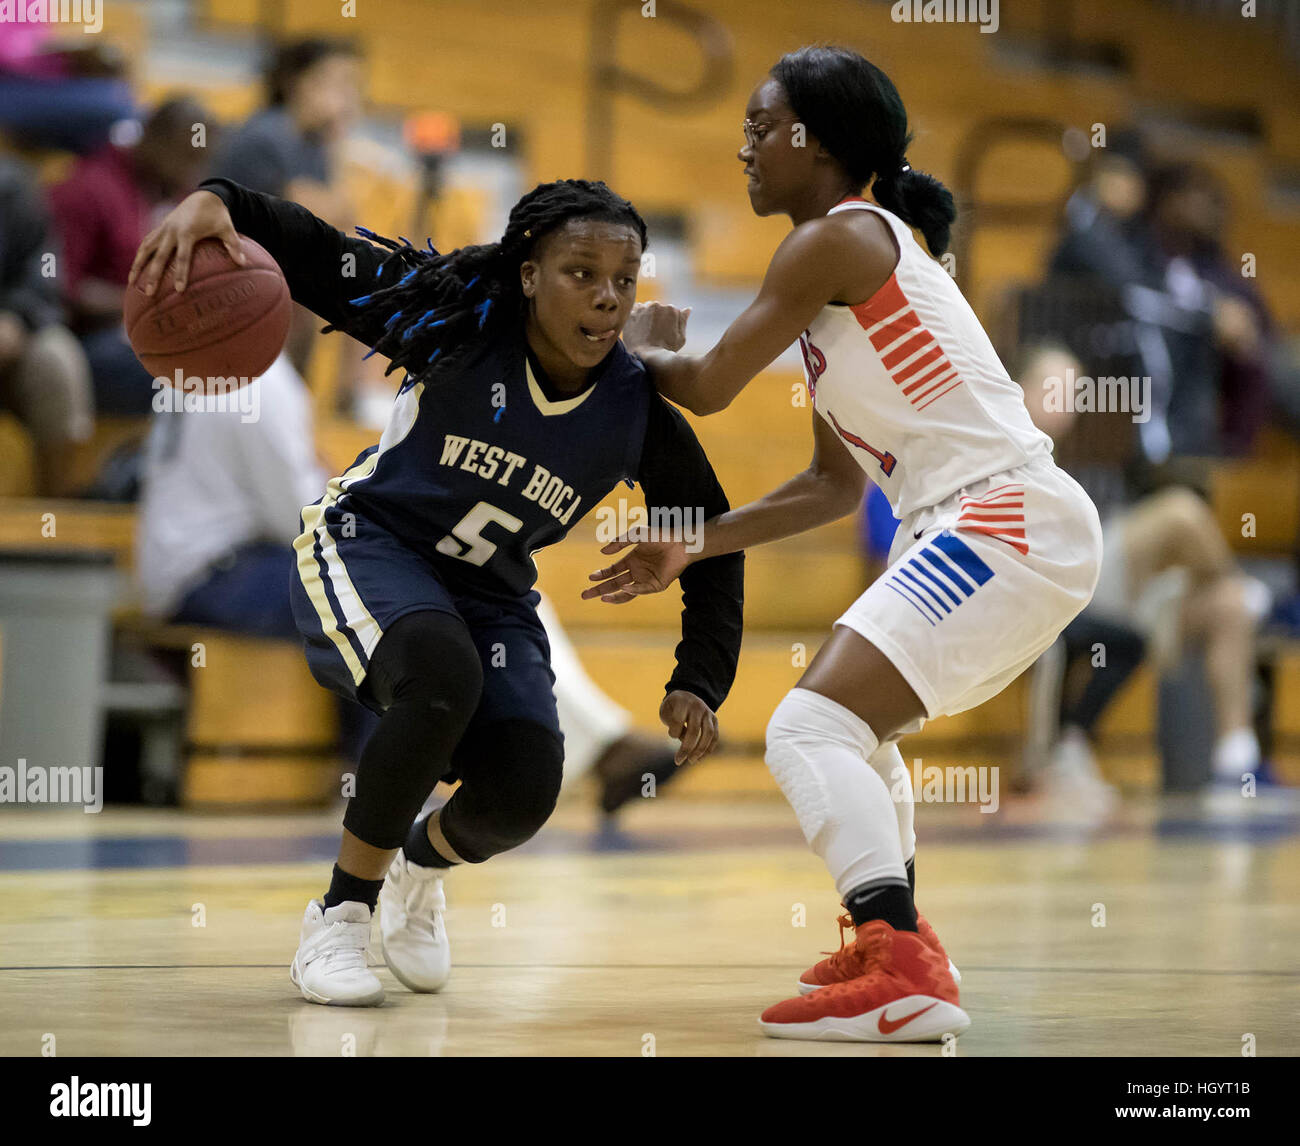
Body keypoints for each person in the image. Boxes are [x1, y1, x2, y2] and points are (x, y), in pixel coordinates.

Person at [129, 175, 744, 1007]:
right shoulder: (459, 325)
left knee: (527, 784)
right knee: (438, 670)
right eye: (580, 273)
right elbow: (322, 256)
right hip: (370, 544)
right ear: (528, 273)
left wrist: (699, 677)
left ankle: (421, 870)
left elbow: (709, 535)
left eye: (622, 281)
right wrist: (220, 201)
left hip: (490, 593)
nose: (606, 299)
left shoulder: (635, 409)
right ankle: (340, 918)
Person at [591, 45, 1103, 1042]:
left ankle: (896, 960)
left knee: (805, 729)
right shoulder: (846, 282)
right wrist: (696, 542)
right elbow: (832, 489)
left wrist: (634, 341)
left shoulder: (838, 237)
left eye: (758, 127)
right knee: (849, 730)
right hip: (981, 520)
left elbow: (704, 385)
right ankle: (900, 940)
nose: (742, 148)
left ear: (814, 142)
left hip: (998, 513)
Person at [48, 95, 215, 419]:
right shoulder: (86, 190)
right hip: (84, 342)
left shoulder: (171, 191)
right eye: (187, 158)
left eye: (201, 161)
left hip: (143, 335)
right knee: (193, 381)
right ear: (153, 140)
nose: (193, 174)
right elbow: (59, 289)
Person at [0, 153, 93, 496]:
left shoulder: (12, 186)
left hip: (10, 325)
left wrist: (15, 318)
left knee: (57, 362)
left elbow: (44, 273)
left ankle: (56, 516)